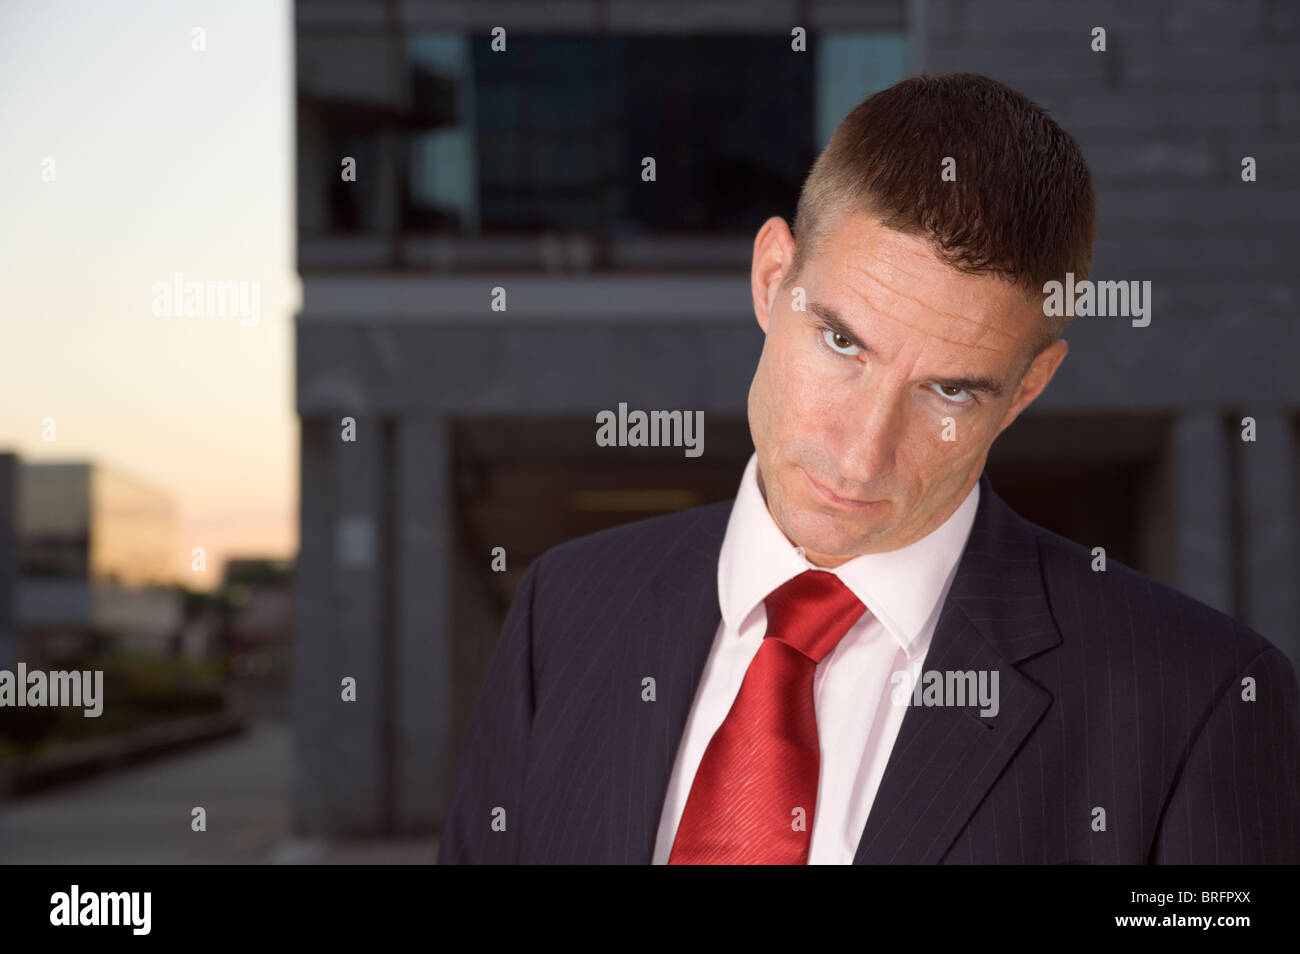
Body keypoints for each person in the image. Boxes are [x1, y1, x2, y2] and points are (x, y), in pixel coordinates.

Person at [437, 72, 1300, 864]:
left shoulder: (1200, 704)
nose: (860, 452)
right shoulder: (565, 610)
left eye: (950, 390)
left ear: (1028, 387)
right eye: (842, 341)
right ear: (773, 278)